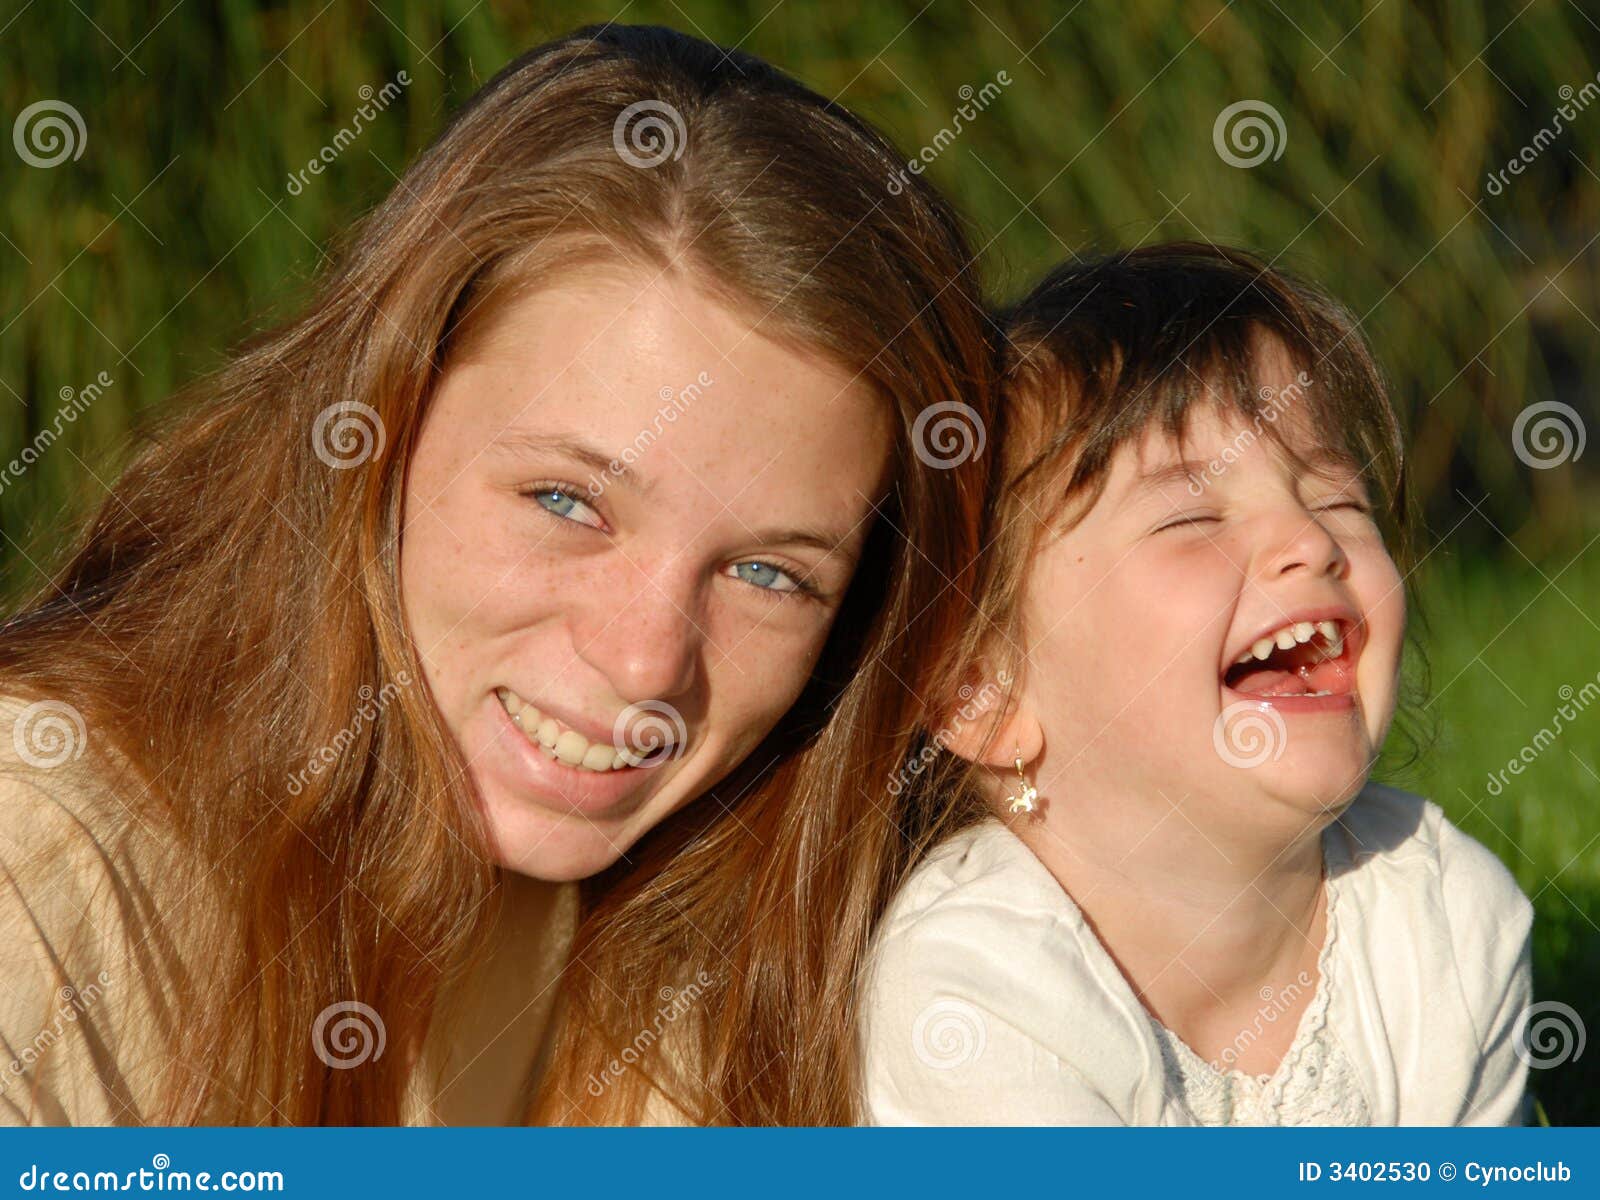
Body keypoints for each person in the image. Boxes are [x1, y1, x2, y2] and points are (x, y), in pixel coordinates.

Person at [0, 24, 997, 1126]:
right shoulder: (35, 861)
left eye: (768, 573)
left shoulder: (722, 899)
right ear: (377, 426)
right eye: (566, 502)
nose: (641, 659)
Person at [859, 243, 1534, 1125]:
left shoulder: (1445, 917)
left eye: (1337, 499)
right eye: (1192, 515)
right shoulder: (971, 981)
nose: (1309, 538)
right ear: (980, 692)